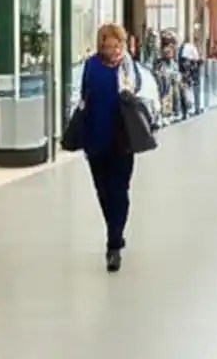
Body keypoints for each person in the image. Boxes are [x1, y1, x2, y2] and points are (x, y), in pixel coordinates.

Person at [76, 23, 157, 272]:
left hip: (122, 141)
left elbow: (143, 97)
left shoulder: (128, 67)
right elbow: (82, 97)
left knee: (119, 191)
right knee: (103, 191)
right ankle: (115, 228)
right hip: (95, 140)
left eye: (115, 44)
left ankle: (113, 244)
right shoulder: (90, 66)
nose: (110, 49)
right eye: (106, 44)